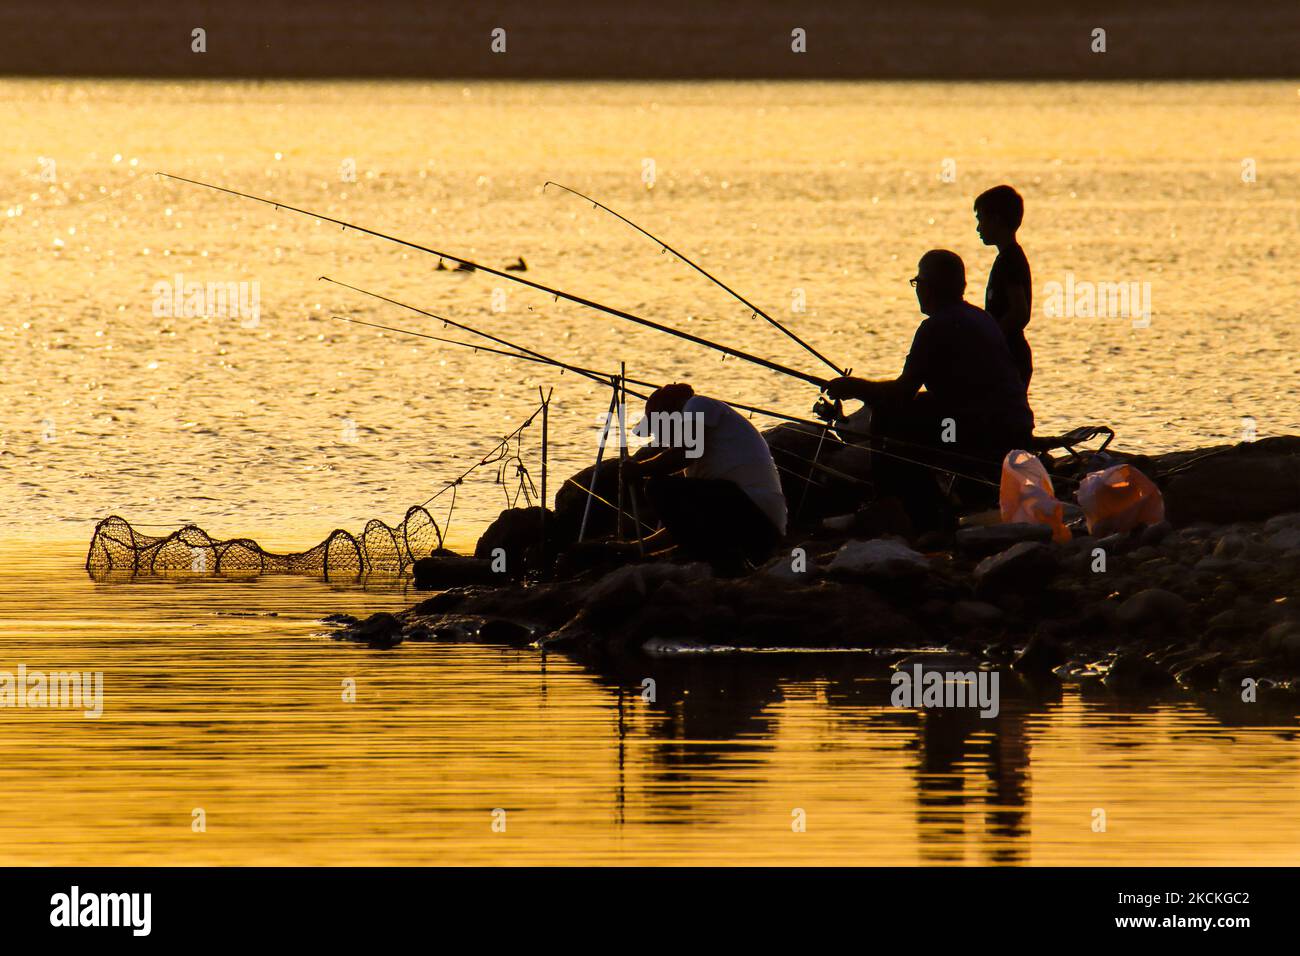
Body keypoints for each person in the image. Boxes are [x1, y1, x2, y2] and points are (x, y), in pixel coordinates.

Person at [823, 250, 1033, 529]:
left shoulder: (935, 327)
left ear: (933, 287)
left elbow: (900, 394)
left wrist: (854, 387)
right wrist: (860, 388)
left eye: (918, 281)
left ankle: (895, 505)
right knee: (919, 407)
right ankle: (932, 500)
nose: (917, 288)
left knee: (890, 415)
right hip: (1014, 425)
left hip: (983, 433)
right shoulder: (981, 318)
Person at [621, 383, 787, 569]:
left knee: (657, 487)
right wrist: (636, 548)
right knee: (668, 493)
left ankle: (722, 564)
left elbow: (687, 452)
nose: (658, 435)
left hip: (754, 513)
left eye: (658, 425)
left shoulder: (697, 405)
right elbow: (683, 528)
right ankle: (725, 562)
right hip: (759, 525)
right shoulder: (705, 467)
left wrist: (641, 469)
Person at [974, 184, 1033, 388]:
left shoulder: (1010, 260)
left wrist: (989, 339)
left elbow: (1020, 312)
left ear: (996, 220)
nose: (978, 228)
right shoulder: (1006, 258)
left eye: (981, 220)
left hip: (1011, 356)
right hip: (1006, 354)